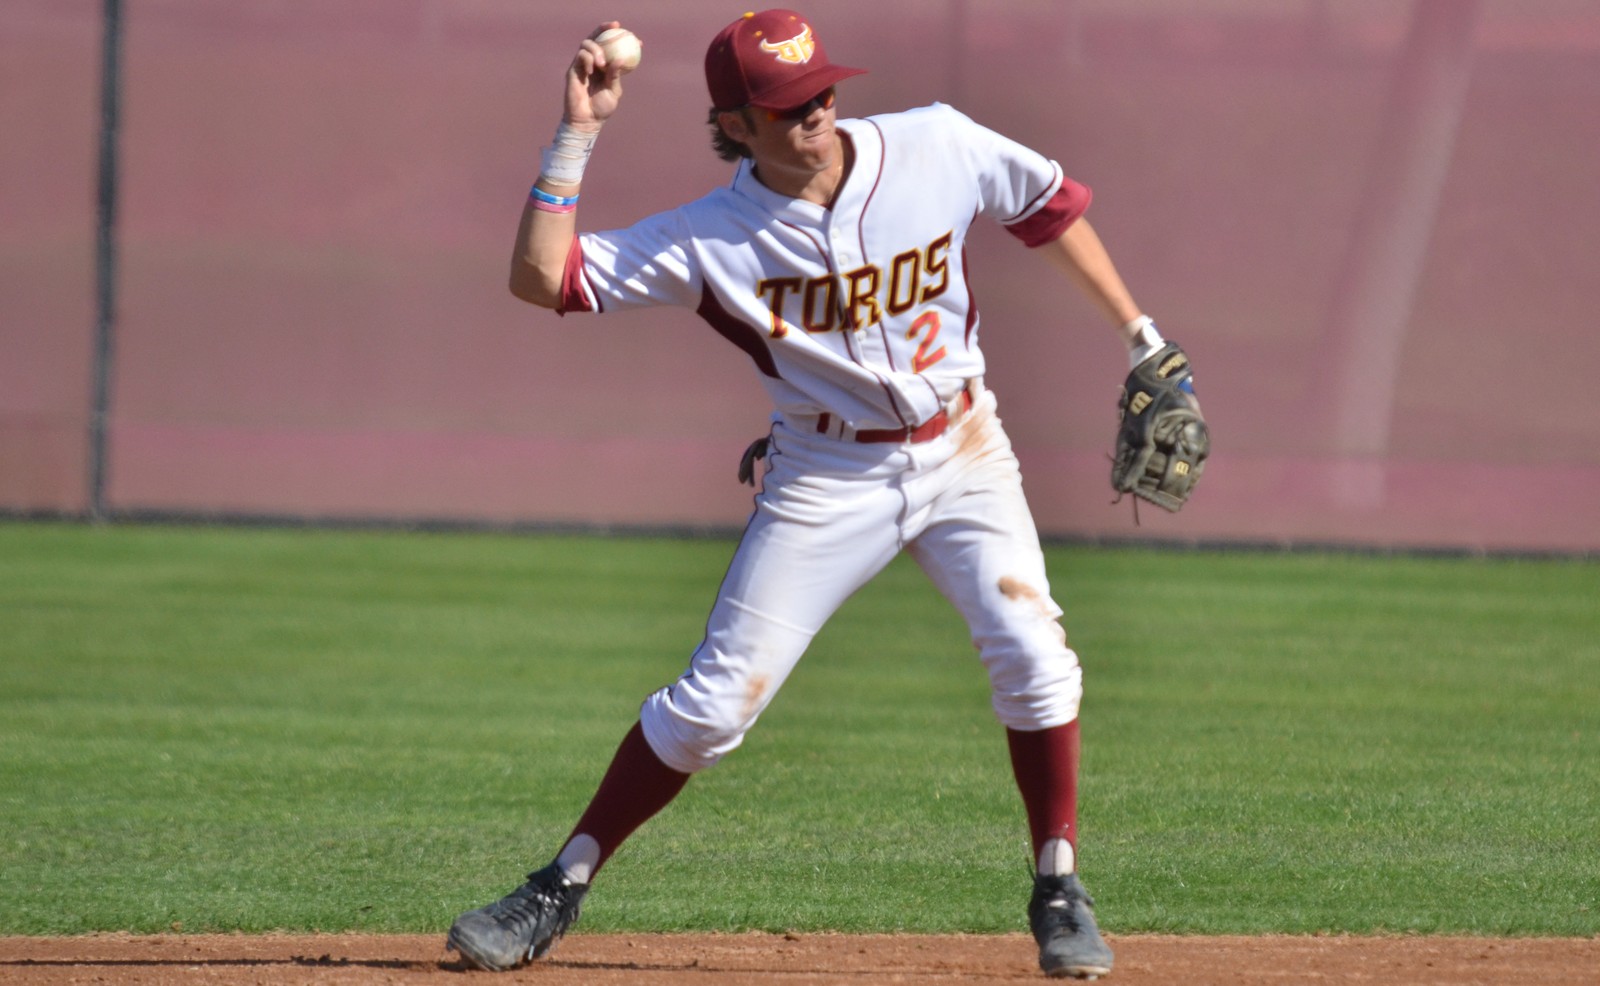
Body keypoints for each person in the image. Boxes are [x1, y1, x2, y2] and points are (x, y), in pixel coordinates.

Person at [449, 9, 1183, 979]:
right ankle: (558, 884)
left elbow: (1048, 205)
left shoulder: (935, 145)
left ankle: (1058, 885)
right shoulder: (711, 237)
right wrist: (578, 131)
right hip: (825, 473)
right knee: (711, 708)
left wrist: (1143, 338)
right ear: (737, 123)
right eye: (789, 105)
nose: (817, 113)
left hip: (964, 447)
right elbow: (543, 278)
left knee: (1036, 653)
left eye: (824, 90)